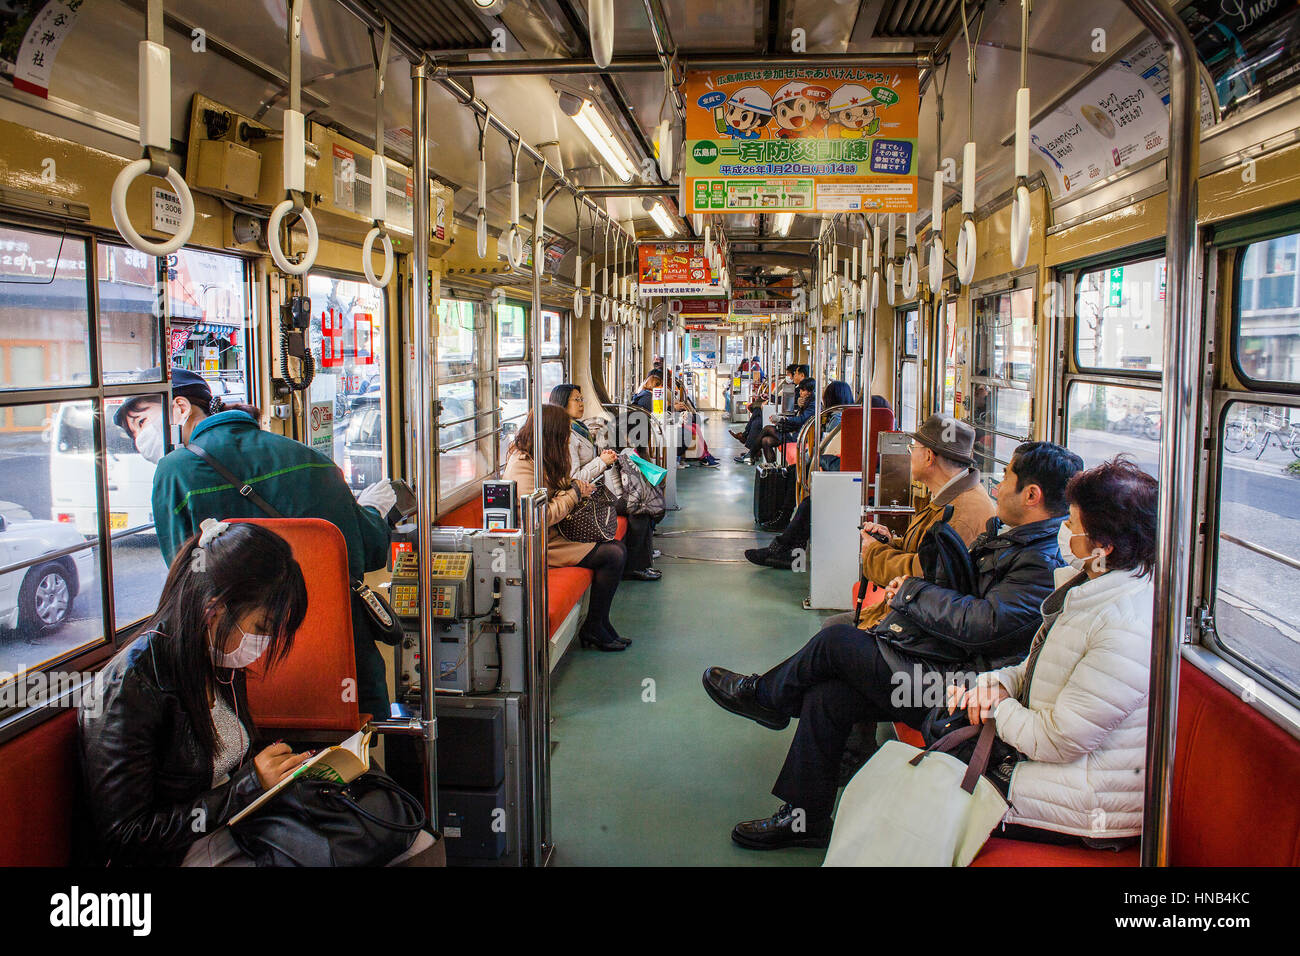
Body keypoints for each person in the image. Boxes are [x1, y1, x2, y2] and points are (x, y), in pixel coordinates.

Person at [703, 440, 1083, 849]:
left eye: (1007, 476)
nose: (998, 485)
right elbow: (962, 591)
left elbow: (983, 625)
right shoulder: (1010, 538)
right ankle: (804, 819)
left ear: (1031, 495)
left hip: (964, 689)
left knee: (836, 640)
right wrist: (915, 585)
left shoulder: (1041, 562)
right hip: (948, 662)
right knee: (829, 696)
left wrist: (912, 595)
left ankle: (765, 697)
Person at [78, 520, 438, 866]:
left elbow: (233, 762)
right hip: (180, 852)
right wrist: (249, 786)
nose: (263, 646)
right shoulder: (131, 685)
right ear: (213, 610)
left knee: (414, 838)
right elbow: (125, 834)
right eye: (261, 627)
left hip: (238, 823)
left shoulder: (216, 662)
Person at [148, 367, 395, 720]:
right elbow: (368, 551)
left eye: (140, 422)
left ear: (181, 409)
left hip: (238, 672)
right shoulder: (314, 461)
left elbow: (183, 576)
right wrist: (373, 510)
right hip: (337, 660)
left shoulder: (175, 472)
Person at [947, 456, 1157, 848]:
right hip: (1052, 767)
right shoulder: (1089, 591)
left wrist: (996, 707)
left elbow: (1057, 739)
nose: (1064, 531)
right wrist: (995, 686)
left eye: (1073, 525)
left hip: (1086, 802)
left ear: (1103, 546)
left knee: (939, 783)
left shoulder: (1126, 626)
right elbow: (1035, 667)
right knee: (944, 738)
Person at [503, 405, 631, 651]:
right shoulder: (523, 464)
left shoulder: (546, 455)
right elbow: (538, 516)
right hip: (541, 543)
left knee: (616, 549)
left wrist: (576, 489)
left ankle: (600, 622)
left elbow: (558, 489)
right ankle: (595, 626)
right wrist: (573, 493)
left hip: (557, 534)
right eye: (563, 433)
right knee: (613, 554)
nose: (566, 439)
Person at [747, 391, 918, 570]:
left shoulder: (858, 429)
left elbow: (847, 469)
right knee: (807, 495)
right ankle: (787, 547)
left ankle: (783, 547)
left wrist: (821, 459)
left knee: (811, 501)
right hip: (872, 492)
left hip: (866, 496)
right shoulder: (895, 436)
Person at [549, 383, 659, 581]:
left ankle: (643, 555)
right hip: (583, 500)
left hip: (596, 489)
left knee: (643, 498)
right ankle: (634, 566)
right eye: (576, 399)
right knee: (640, 507)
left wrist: (603, 456)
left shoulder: (579, 428)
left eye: (582, 399)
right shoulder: (566, 437)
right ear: (562, 403)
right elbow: (575, 479)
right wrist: (601, 462)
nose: (581, 404)